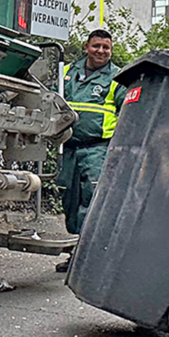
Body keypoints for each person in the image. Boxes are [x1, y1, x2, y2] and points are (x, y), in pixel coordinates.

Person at [55, 29, 120, 272]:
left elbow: (129, 111)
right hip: (68, 148)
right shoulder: (66, 73)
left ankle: (90, 259)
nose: (101, 51)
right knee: (69, 200)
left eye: (106, 47)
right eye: (96, 46)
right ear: (86, 47)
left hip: (97, 151)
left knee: (92, 202)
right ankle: (76, 253)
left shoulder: (117, 78)